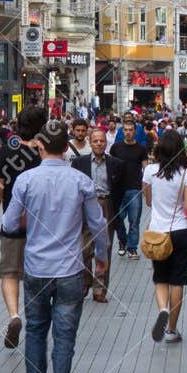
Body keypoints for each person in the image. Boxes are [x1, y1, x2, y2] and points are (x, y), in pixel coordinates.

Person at [5, 122, 107, 373]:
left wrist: (32, 221)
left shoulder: (25, 181)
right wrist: (101, 256)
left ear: (40, 146)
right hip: (70, 269)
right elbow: (98, 224)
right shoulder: (81, 182)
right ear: (66, 147)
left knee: (36, 330)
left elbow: (10, 224)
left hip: (36, 267)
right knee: (65, 336)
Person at [0, 105, 46, 350]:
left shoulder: (8, 149)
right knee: (37, 274)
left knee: (10, 272)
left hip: (13, 222)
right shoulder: (48, 151)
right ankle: (36, 320)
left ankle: (13, 315)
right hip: (44, 226)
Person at [142, 130, 187, 344]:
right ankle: (172, 329)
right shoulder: (186, 173)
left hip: (157, 232)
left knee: (160, 278)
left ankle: (163, 309)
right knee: (178, 281)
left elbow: (147, 201)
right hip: (180, 231)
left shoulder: (150, 171)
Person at [68, 127, 116, 302]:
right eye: (95, 141)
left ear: (106, 143)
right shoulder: (80, 162)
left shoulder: (114, 163)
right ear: (90, 142)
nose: (98, 144)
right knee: (83, 248)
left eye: (102, 141)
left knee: (105, 247)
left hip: (106, 204)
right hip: (86, 205)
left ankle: (100, 289)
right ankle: (85, 282)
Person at [107, 117, 146, 259]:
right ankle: (123, 242)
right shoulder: (116, 147)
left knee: (134, 220)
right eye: (126, 130)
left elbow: (145, 169)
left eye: (131, 130)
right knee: (119, 218)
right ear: (122, 131)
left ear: (135, 132)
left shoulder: (141, 149)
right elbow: (110, 166)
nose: (128, 132)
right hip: (118, 189)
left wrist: (145, 187)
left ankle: (132, 248)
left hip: (135, 188)